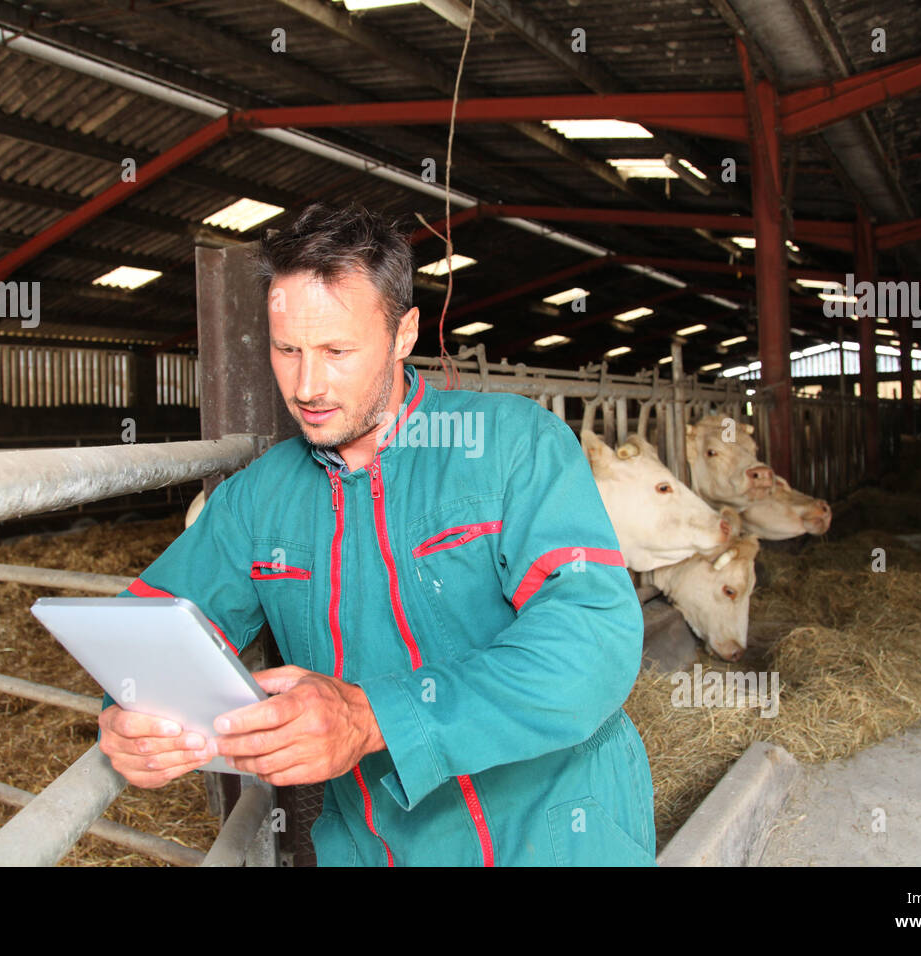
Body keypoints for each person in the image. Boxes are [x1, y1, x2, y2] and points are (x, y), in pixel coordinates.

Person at [97, 204, 655, 866]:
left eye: (337, 351)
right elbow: (154, 626)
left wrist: (373, 716)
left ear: (403, 333)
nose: (307, 386)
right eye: (287, 350)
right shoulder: (255, 501)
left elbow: (593, 640)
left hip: (557, 834)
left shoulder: (512, 445)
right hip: (377, 846)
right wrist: (134, 714)